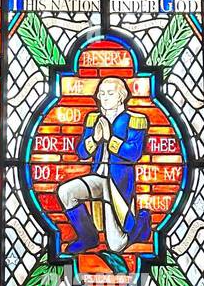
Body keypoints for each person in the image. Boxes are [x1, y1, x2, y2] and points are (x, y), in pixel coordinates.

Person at [57, 76, 151, 255]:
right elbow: (82, 153)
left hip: (118, 182)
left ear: (121, 96)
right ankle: (88, 236)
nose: (104, 97)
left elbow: (134, 153)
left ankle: (142, 223)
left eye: (110, 93)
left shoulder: (134, 120)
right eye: (101, 93)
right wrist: (95, 138)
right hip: (98, 177)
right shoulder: (94, 119)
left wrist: (111, 140)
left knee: (116, 246)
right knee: (66, 192)